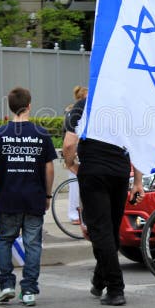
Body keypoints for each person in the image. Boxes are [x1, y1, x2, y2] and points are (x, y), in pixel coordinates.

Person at [62, 91, 143, 307]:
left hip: (94, 172)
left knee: (100, 230)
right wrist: (137, 181)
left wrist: (70, 164)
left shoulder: (83, 106)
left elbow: (69, 144)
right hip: (120, 171)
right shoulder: (124, 106)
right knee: (111, 230)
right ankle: (99, 279)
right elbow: (137, 146)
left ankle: (115, 288)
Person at [0, 87, 57, 307]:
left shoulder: (0, 134)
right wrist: (48, 194)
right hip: (34, 197)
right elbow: (49, 168)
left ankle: (6, 284)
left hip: (9, 197)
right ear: (29, 105)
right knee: (33, 244)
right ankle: (29, 289)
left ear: (10, 107)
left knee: (5, 240)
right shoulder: (41, 133)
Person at [64, 86, 88, 225]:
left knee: (79, 186)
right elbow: (69, 136)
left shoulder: (75, 112)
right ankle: (74, 214)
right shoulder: (74, 112)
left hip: (77, 151)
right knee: (75, 186)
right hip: (76, 151)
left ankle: (78, 213)